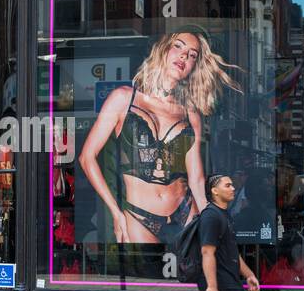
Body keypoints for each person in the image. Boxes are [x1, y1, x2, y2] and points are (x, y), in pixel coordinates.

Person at [78, 26, 238, 245]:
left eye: (192, 55)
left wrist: (213, 227)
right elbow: (87, 158)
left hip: (186, 212)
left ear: (193, 67)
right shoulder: (123, 99)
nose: (184, 55)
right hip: (139, 215)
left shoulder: (191, 113)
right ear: (163, 50)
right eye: (178, 47)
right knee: (147, 278)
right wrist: (116, 212)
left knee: (190, 277)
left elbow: (197, 180)